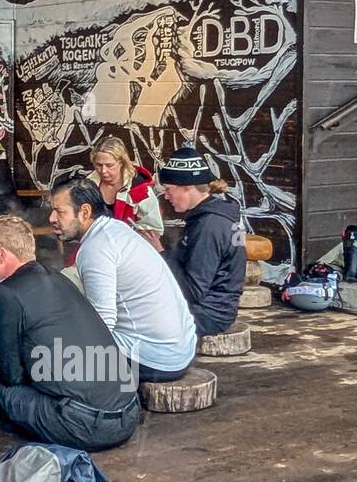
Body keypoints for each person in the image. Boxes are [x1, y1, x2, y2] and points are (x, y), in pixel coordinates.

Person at [0, 215, 139, 451]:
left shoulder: (8, 292)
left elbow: (11, 376)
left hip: (84, 425)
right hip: (128, 412)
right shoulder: (59, 280)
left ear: (1, 254)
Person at [50, 177, 196, 383]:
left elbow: (102, 322)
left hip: (156, 360)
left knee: (45, 355)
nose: (51, 218)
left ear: (84, 212)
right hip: (182, 350)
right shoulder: (116, 230)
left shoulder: (96, 247)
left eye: (60, 211)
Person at [156, 146, 246, 337]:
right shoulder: (214, 215)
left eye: (169, 189)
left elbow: (192, 291)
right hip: (217, 308)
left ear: (187, 187)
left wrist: (160, 253)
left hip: (208, 314)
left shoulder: (209, 226)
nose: (166, 196)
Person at [88, 136, 162, 244]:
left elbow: (154, 230)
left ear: (121, 162)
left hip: (129, 249)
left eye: (109, 165)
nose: (103, 171)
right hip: (93, 246)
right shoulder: (87, 186)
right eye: (98, 165)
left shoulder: (139, 189)